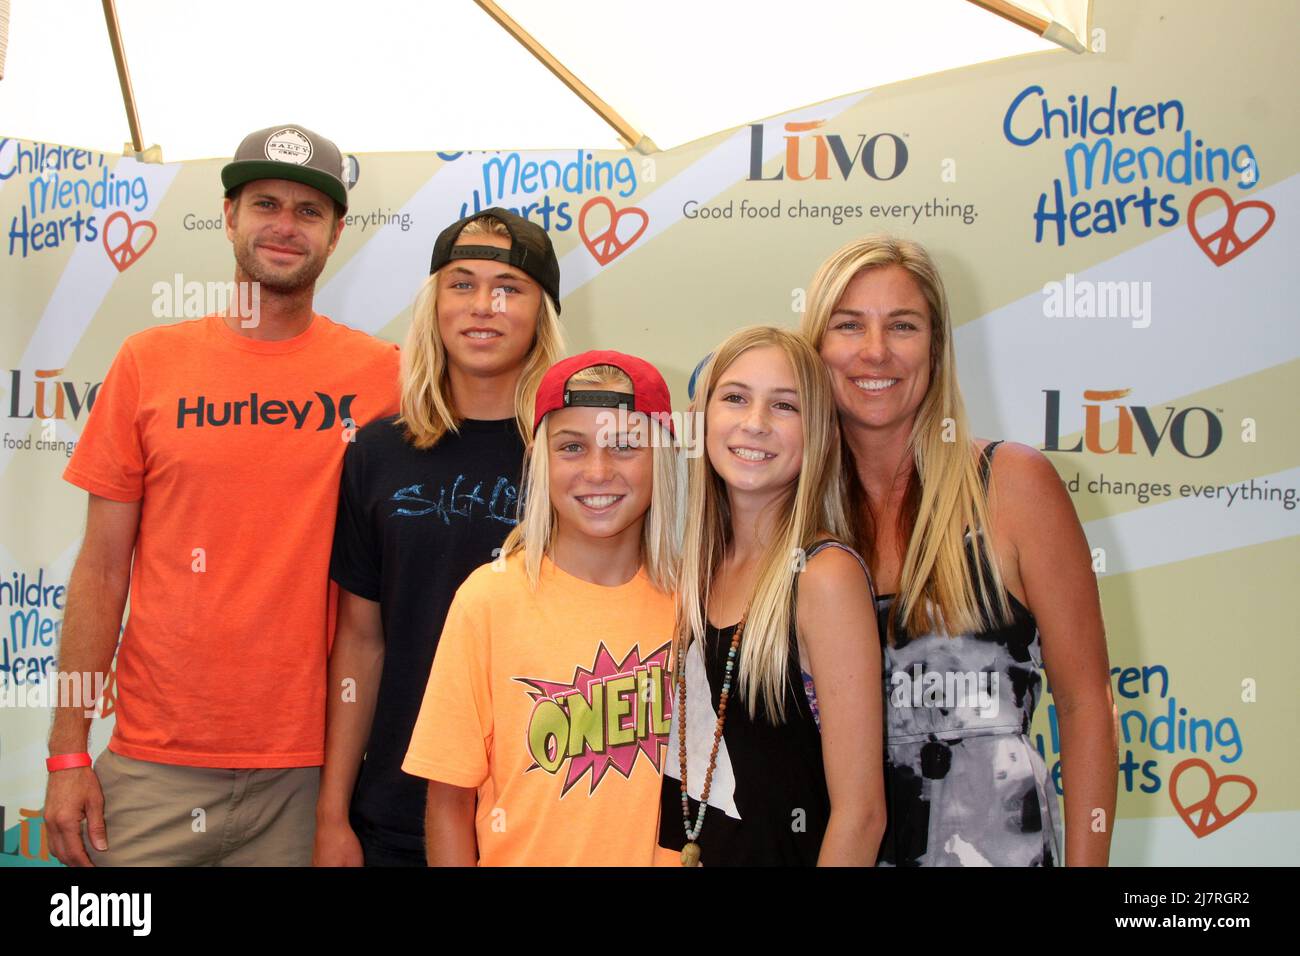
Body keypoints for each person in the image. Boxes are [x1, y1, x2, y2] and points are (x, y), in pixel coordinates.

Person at [44, 125, 401, 867]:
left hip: (315, 773)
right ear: (228, 215)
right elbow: (102, 570)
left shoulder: (385, 377)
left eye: (308, 211)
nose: (284, 225)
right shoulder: (149, 362)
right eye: (265, 203)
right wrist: (67, 751)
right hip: (153, 766)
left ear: (336, 234)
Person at [802, 235, 1118, 866]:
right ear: (815, 348)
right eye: (848, 325)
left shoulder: (1013, 486)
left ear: (937, 349)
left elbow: (1086, 706)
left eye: (903, 326)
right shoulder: (795, 521)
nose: (875, 351)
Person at [313, 208, 564, 866]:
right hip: (399, 806)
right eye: (461, 283)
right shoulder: (377, 452)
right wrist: (332, 810)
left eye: (509, 287)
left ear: (543, 311)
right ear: (434, 303)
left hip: (543, 805)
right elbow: (362, 642)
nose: (484, 306)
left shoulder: (576, 457)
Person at [403, 351, 680, 866]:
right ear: (539, 459)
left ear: (663, 457)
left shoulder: (697, 602)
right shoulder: (487, 600)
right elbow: (448, 800)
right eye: (572, 447)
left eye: (624, 446)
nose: (598, 471)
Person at [658, 326, 885, 866]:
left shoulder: (823, 576)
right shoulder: (691, 571)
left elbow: (862, 815)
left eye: (785, 406)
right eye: (735, 397)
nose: (754, 423)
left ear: (821, 434)